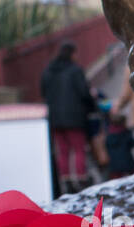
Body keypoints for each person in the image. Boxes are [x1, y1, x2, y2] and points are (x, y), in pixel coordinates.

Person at [40, 42, 96, 194]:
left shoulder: (48, 71)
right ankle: (80, 179)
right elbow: (84, 93)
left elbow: (43, 93)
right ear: (72, 54)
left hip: (55, 119)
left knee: (62, 151)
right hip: (74, 117)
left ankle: (66, 181)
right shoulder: (75, 71)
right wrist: (92, 106)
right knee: (78, 149)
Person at [104, 112, 134, 179]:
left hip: (114, 164)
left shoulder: (109, 135)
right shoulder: (125, 133)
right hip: (127, 161)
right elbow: (133, 143)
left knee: (118, 178)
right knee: (133, 177)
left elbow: (107, 146)